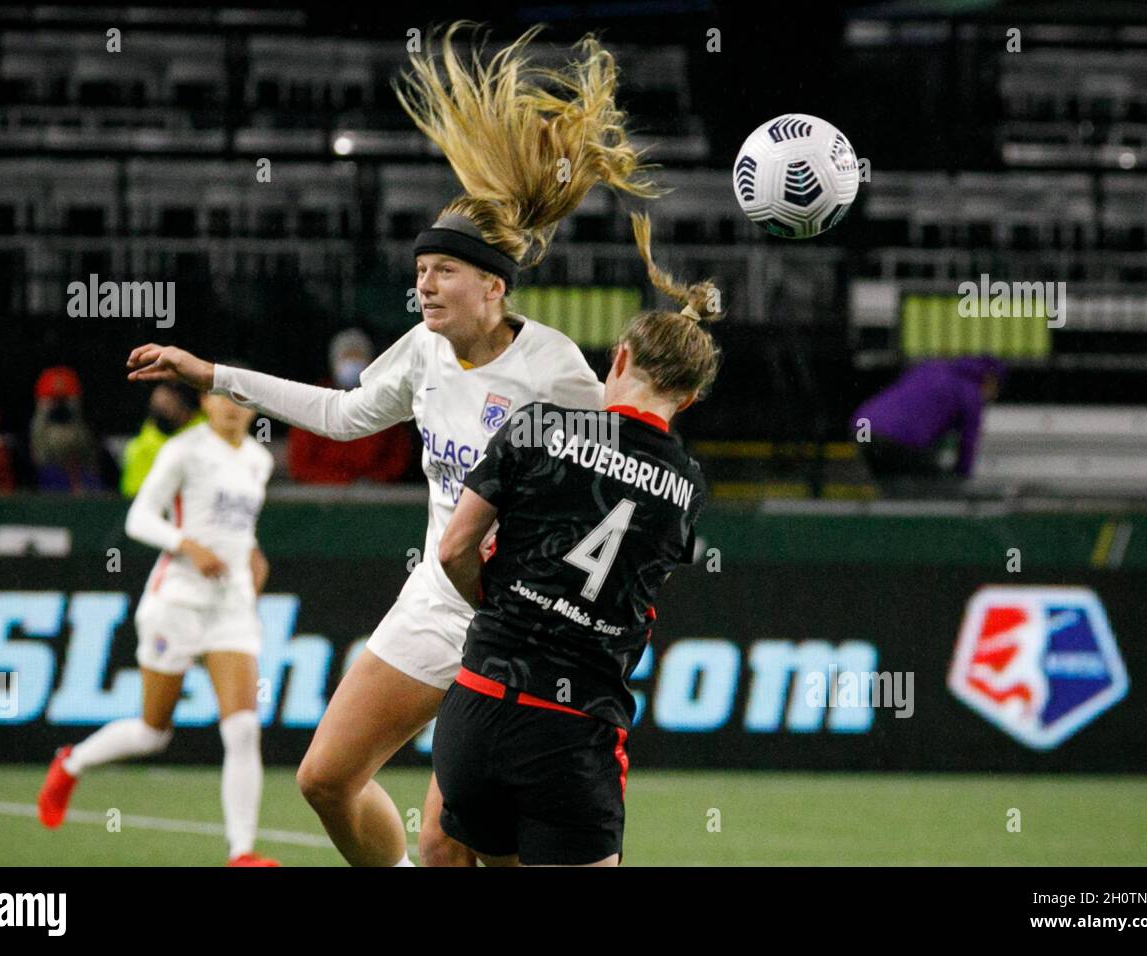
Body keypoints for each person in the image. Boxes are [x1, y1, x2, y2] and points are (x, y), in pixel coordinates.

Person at [121, 22, 661, 866]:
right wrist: (212, 373)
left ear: (493, 283)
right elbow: (343, 416)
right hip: (436, 599)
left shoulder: (556, 371)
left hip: (516, 625)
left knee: (465, 843)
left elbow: (619, 478)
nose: (424, 285)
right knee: (325, 777)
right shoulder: (424, 351)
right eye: (419, 274)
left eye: (442, 272)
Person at [432, 212, 714, 866]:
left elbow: (452, 550)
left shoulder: (534, 427)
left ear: (619, 358)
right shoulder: (687, 486)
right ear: (691, 397)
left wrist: (503, 606)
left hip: (477, 708)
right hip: (572, 732)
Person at [36, 382, 277, 867]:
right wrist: (188, 545)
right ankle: (72, 762)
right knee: (153, 733)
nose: (231, 407)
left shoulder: (259, 460)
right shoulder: (183, 451)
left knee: (244, 730)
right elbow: (139, 519)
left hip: (230, 604)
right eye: (221, 397)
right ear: (204, 404)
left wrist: (251, 552)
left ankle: (242, 853)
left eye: (241, 400)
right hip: (178, 600)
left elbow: (236, 525)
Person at [849, 356, 1005, 496]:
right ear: (989, 379)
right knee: (934, 489)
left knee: (891, 487)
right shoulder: (971, 391)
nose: (994, 395)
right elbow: (967, 444)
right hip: (894, 438)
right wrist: (960, 483)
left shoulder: (931, 367)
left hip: (863, 427)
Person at [287, 329, 412, 484]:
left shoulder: (385, 402)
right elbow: (300, 465)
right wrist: (338, 482)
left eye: (358, 357)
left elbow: (397, 459)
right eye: (347, 357)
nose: (352, 363)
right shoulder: (312, 404)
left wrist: (371, 481)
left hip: (374, 496)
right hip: (321, 496)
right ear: (334, 361)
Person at [29, 366, 114, 492]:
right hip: (49, 477)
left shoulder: (97, 450)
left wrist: (73, 413)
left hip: (84, 475)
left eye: (64, 401)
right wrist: (44, 414)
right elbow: (38, 451)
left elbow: (84, 445)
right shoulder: (30, 464)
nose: (59, 407)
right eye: (53, 401)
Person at [120, 381, 205, 497]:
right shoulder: (140, 448)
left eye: (170, 402)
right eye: (157, 404)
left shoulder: (210, 434)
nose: (164, 408)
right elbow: (134, 494)